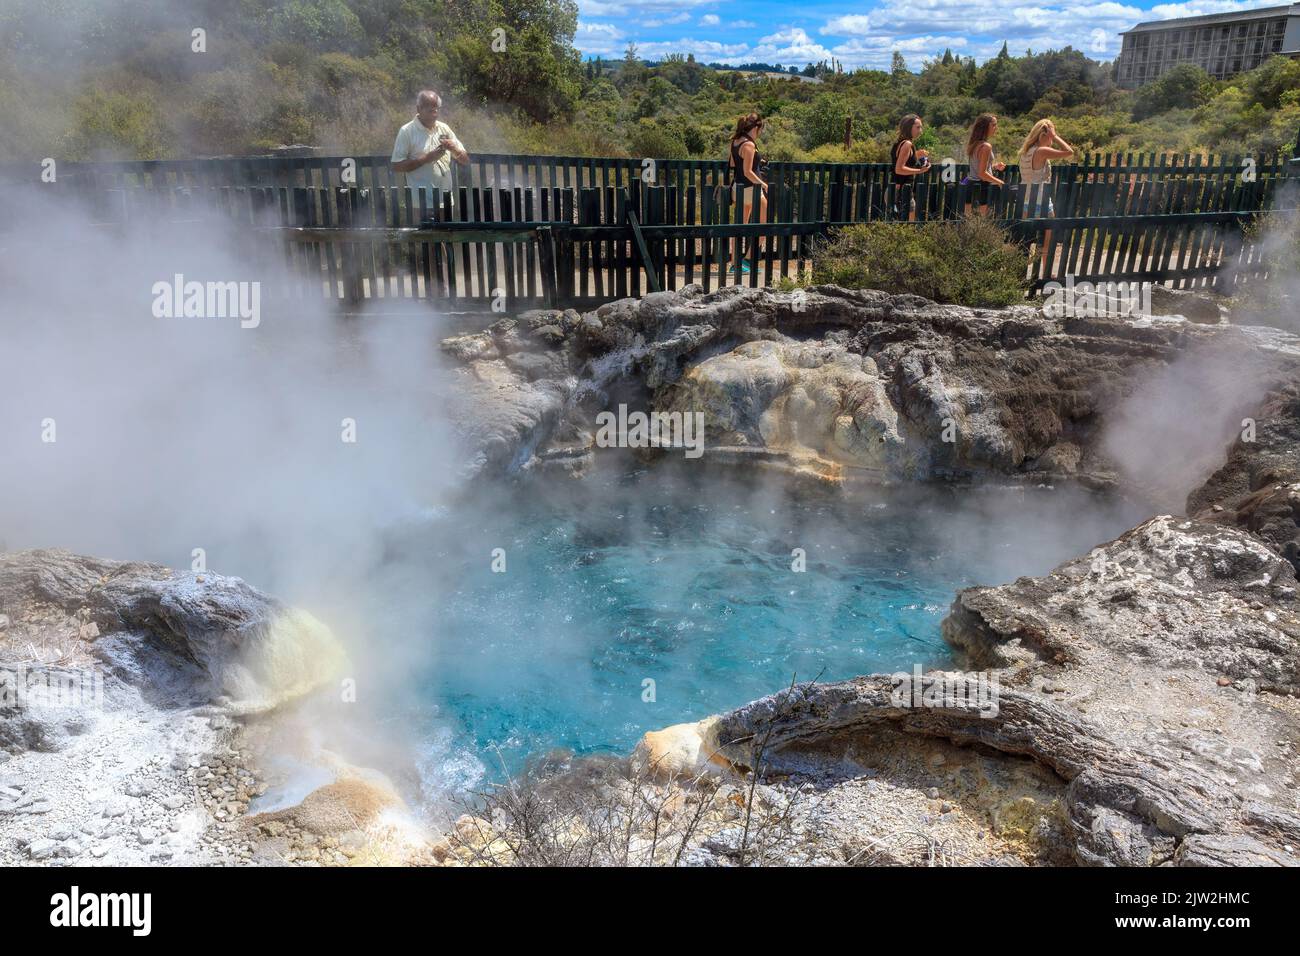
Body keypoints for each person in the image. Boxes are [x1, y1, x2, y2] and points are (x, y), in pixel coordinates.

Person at [390, 90, 470, 205]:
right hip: (420, 202)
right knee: (421, 224)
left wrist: (454, 149)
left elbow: (465, 161)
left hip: (445, 199)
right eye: (430, 110)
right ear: (419, 109)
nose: (434, 114)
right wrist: (427, 158)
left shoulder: (444, 128)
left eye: (436, 110)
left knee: (447, 223)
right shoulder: (407, 131)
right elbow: (396, 166)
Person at [1018, 118, 1075, 272]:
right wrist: (1055, 137)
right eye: (1050, 133)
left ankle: (1020, 272)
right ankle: (1046, 272)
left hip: (1026, 201)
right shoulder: (1041, 151)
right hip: (1040, 201)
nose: (1053, 136)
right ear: (1045, 134)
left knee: (1025, 241)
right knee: (1047, 242)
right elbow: (1069, 152)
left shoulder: (1025, 152)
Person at [724, 112, 768, 275]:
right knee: (765, 224)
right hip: (751, 189)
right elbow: (748, 171)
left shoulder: (736, 142)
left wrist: (757, 160)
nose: (761, 131)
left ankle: (735, 264)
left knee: (739, 228)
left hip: (738, 189)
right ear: (756, 127)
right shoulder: (749, 145)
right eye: (761, 128)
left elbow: (733, 163)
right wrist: (763, 183)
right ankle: (748, 260)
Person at [890, 113, 932, 221]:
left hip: (896, 190)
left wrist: (917, 154)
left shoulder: (901, 142)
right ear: (909, 127)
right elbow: (899, 169)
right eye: (918, 127)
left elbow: (903, 160)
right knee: (908, 227)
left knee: (899, 226)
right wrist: (920, 170)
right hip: (901, 192)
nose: (920, 131)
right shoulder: (907, 144)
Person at [962, 113, 1005, 216]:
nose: (996, 127)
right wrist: (1000, 182)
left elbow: (978, 168)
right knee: (983, 224)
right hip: (983, 188)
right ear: (985, 127)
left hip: (970, 185)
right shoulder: (986, 146)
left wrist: (994, 166)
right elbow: (982, 174)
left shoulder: (974, 143)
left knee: (967, 222)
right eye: (994, 125)